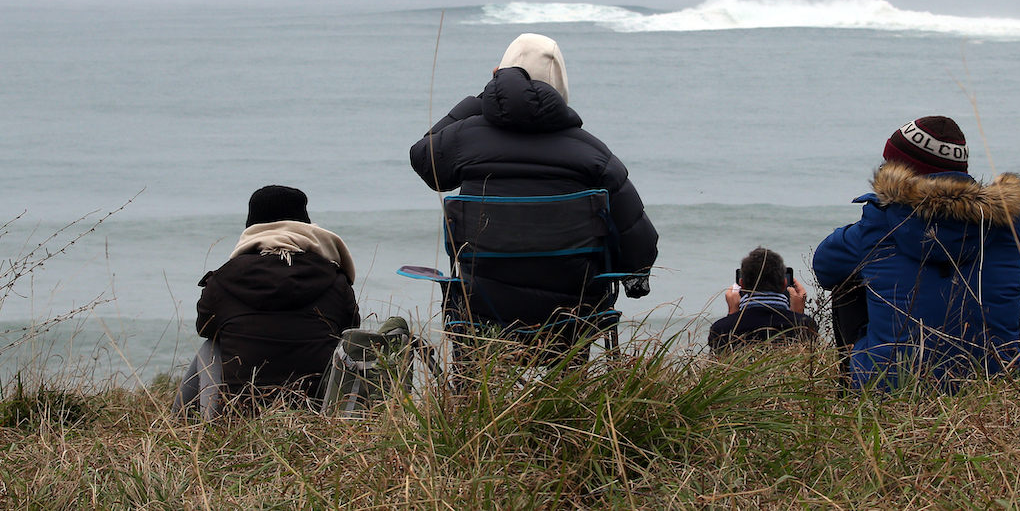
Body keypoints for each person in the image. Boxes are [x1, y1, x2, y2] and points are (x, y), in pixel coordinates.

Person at [409, 33, 658, 326]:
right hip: (572, 323)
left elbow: (423, 158)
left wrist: (485, 98)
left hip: (482, 318)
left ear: (497, 78)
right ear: (561, 88)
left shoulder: (463, 139)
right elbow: (641, 243)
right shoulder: (593, 153)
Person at [812, 116, 1020, 392]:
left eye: (889, 163)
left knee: (847, 281)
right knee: (1011, 278)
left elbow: (825, 267)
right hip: (996, 386)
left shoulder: (880, 222)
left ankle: (852, 386)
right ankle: (996, 365)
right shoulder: (1006, 222)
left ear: (905, 171)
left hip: (888, 386)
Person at [174, 185, 360, 416]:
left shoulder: (223, 279)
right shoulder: (335, 279)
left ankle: (185, 422)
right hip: (315, 407)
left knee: (211, 345)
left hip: (242, 411)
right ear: (305, 224)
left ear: (252, 225)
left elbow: (205, 328)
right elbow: (350, 330)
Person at [708, 247, 817, 352]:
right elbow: (806, 362)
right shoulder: (806, 326)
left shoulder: (720, 330)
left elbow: (721, 365)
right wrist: (798, 315)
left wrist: (733, 314)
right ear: (784, 284)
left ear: (742, 285)